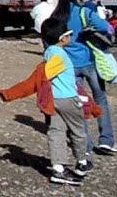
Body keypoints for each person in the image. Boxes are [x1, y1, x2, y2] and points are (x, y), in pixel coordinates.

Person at [50, 0, 117, 154]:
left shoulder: (56, 16)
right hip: (89, 62)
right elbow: (107, 28)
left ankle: (84, 144)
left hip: (69, 67)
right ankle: (106, 140)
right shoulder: (84, 12)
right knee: (100, 99)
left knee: (78, 104)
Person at [38, 17, 91, 185]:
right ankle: (81, 162)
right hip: (68, 98)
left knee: (56, 131)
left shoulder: (49, 52)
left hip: (54, 99)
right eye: (70, 34)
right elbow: (49, 72)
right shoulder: (59, 55)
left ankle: (58, 168)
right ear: (63, 38)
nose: (71, 37)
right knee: (77, 130)